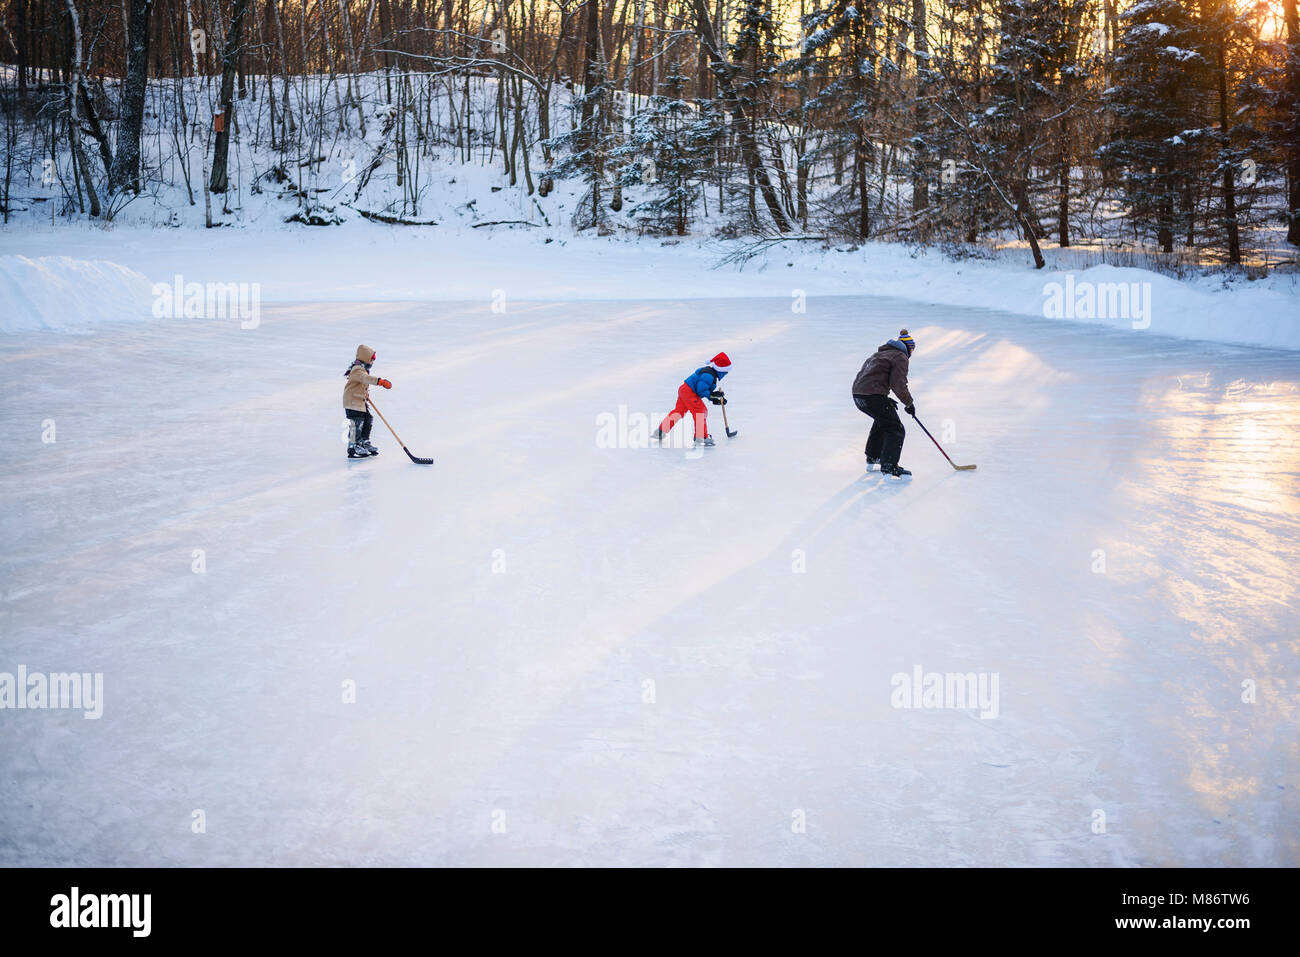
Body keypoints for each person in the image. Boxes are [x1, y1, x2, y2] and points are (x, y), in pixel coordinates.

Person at [851, 330, 915, 477]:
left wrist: (883, 398)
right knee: (896, 428)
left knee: (882, 421)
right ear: (906, 346)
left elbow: (868, 378)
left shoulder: (878, 354)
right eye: (912, 348)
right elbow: (898, 384)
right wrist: (909, 403)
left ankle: (873, 457)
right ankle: (889, 466)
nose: (911, 352)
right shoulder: (900, 356)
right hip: (873, 396)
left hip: (858, 395)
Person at [652, 352, 731, 448]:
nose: (726, 374)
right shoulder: (709, 376)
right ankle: (700, 437)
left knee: (679, 412)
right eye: (726, 372)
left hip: (684, 389)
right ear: (721, 370)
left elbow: (704, 389)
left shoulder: (710, 373)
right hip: (690, 393)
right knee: (701, 412)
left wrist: (716, 398)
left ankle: (660, 431)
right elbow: (701, 390)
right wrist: (713, 396)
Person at [342, 344, 391, 458]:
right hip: (352, 402)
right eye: (371, 360)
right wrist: (380, 381)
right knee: (356, 423)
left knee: (368, 419)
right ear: (365, 359)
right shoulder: (357, 370)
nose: (372, 363)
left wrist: (365, 394)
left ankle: (364, 441)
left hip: (359, 401)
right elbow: (365, 378)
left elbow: (360, 384)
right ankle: (353, 445)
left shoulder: (361, 370)